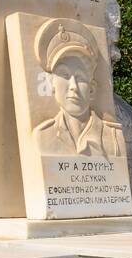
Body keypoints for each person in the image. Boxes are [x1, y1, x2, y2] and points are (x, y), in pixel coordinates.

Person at [32, 22, 125, 158]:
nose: (73, 86)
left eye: (80, 77)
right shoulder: (44, 135)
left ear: (92, 89)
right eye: (64, 75)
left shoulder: (114, 137)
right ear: (52, 83)